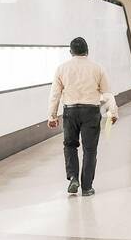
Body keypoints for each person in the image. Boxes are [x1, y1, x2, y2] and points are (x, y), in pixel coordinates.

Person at [47, 37, 117, 196]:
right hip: (91, 111)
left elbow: (55, 94)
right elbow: (107, 93)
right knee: (90, 150)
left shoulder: (62, 68)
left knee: (70, 145)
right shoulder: (97, 68)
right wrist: (112, 112)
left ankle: (73, 177)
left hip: (70, 111)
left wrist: (52, 116)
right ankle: (87, 187)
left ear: (71, 52)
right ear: (87, 51)